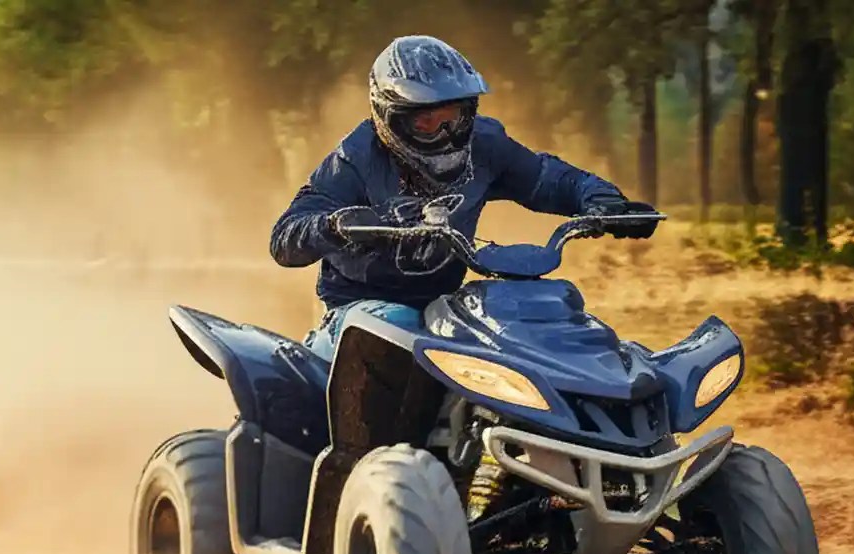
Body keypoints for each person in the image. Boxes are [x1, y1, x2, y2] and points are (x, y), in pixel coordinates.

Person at [270, 35, 659, 360]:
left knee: (531, 315)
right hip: (357, 313)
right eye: (427, 122)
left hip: (445, 308)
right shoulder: (352, 160)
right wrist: (335, 225)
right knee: (399, 327)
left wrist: (603, 200)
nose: (447, 134)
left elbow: (549, 178)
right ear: (391, 116)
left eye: (454, 117)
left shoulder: (485, 146)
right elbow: (285, 238)